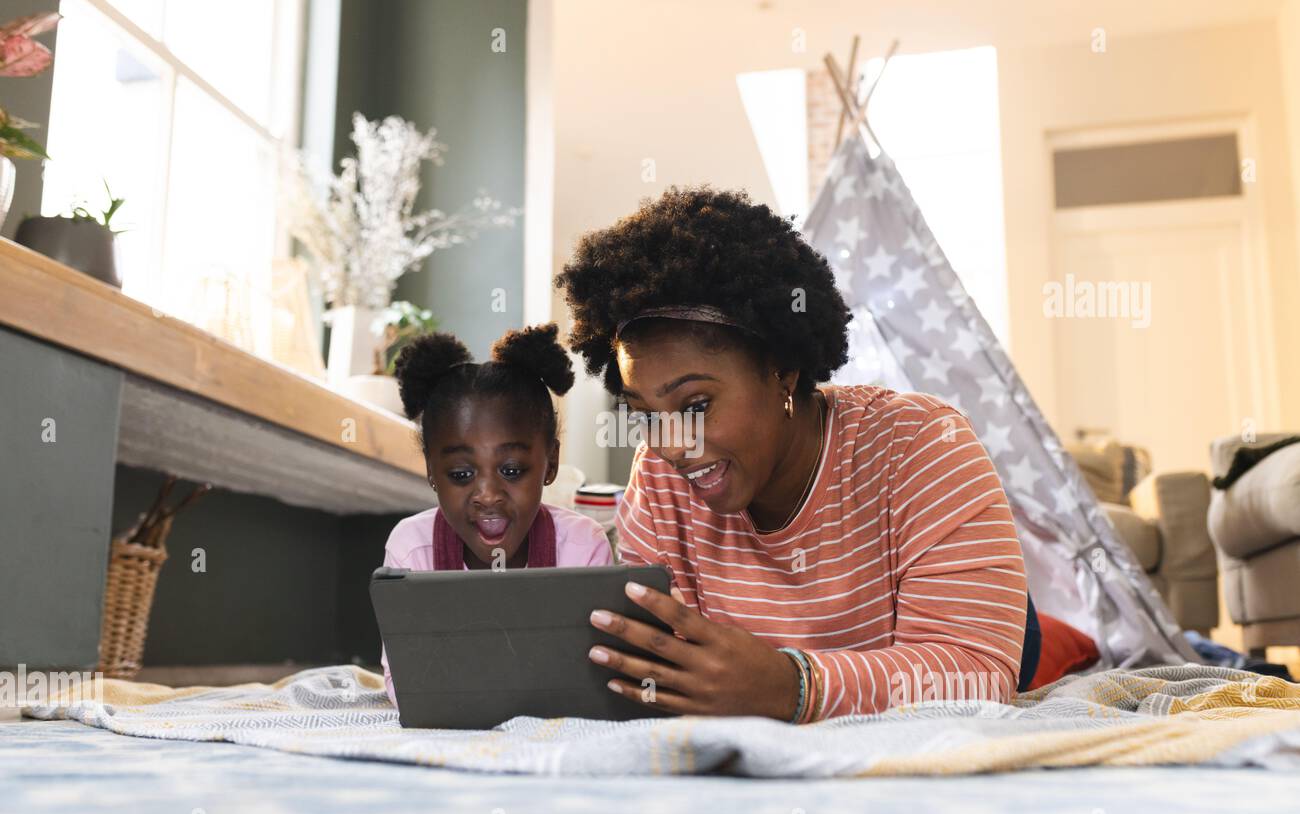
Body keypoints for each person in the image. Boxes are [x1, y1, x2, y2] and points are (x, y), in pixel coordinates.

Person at [554, 186, 1029, 721]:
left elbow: (978, 671)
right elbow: (660, 664)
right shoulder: (660, 483)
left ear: (783, 371)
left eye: (697, 403)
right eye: (645, 414)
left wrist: (793, 687)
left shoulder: (920, 446)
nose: (669, 446)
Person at [378, 323, 612, 708]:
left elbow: (596, 672)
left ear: (550, 463)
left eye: (512, 470)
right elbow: (404, 681)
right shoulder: (411, 549)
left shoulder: (583, 547)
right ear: (431, 472)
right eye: (461, 475)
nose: (487, 495)